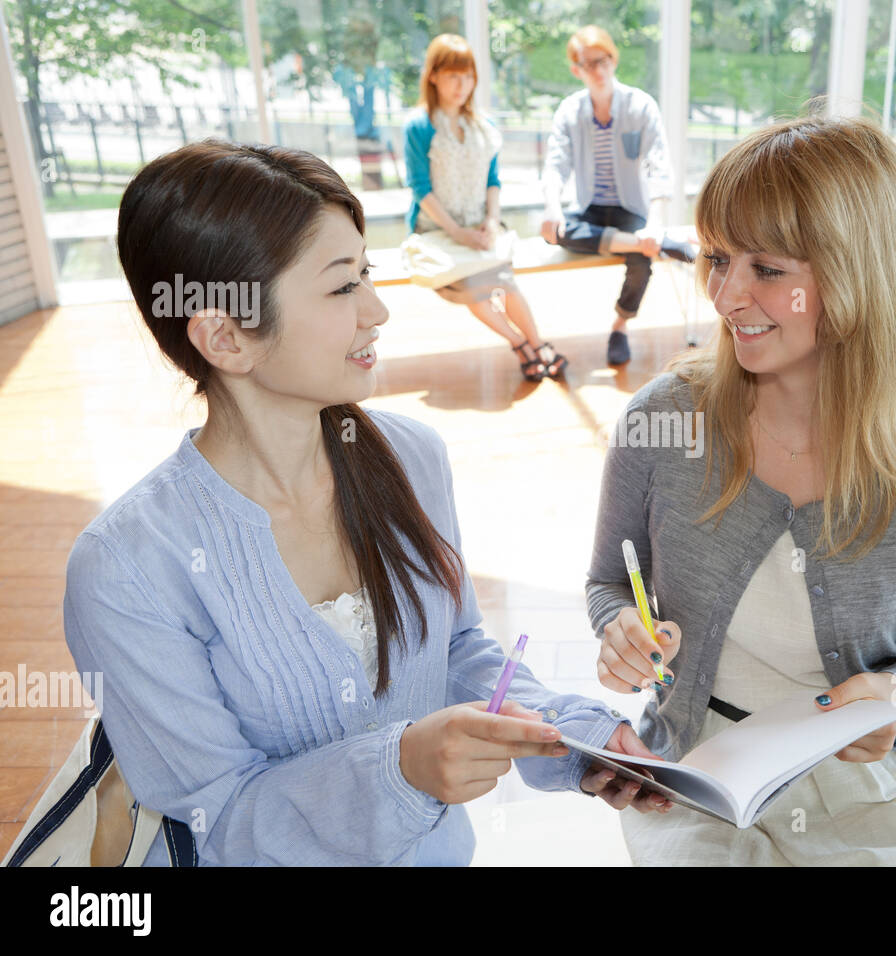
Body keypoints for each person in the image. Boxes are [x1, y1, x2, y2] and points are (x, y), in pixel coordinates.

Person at [63, 138, 669, 866]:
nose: (377, 310)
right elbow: (217, 820)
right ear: (225, 336)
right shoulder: (126, 569)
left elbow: (459, 651)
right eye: (342, 286)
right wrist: (401, 770)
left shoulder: (413, 458)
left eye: (367, 274)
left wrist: (576, 737)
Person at [586, 115, 896, 865]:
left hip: (872, 777)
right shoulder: (661, 422)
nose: (725, 297)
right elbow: (609, 582)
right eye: (717, 258)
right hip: (698, 770)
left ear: (859, 272)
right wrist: (619, 627)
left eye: (767, 270)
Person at [405, 34, 567, 381]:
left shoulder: (484, 126)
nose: (461, 84)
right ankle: (521, 343)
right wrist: (458, 233)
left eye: (468, 75)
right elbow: (421, 189)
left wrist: (491, 222)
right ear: (433, 76)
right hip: (437, 231)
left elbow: (493, 180)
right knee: (473, 282)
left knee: (503, 281)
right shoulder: (419, 126)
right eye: (452, 75)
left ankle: (536, 346)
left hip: (481, 227)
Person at [540, 24, 696, 367]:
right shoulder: (569, 111)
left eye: (603, 60)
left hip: (629, 208)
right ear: (575, 70)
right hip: (589, 208)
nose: (598, 70)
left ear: (613, 60)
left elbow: (659, 167)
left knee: (642, 262)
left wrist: (653, 224)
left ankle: (620, 325)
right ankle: (649, 243)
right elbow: (555, 165)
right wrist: (552, 209)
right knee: (562, 233)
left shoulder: (640, 106)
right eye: (588, 64)